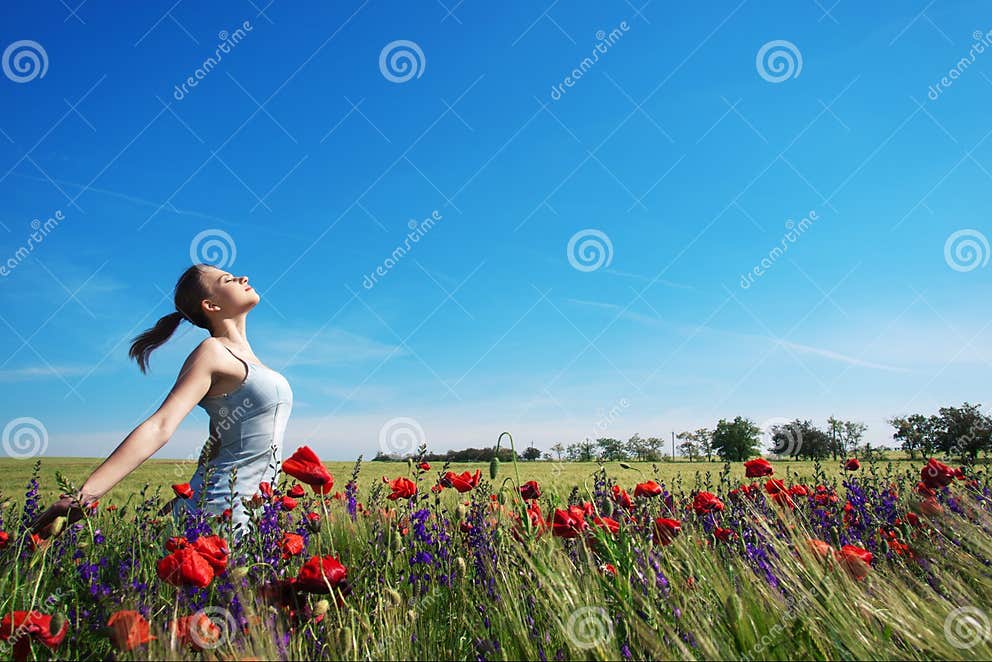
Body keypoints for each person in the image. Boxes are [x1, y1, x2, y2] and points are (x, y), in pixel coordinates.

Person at [28, 263, 293, 543]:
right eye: (228, 279)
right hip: (223, 507)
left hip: (257, 509)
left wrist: (185, 493)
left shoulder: (253, 361)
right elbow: (160, 425)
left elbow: (220, 439)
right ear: (211, 305)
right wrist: (86, 495)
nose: (243, 277)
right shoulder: (213, 351)